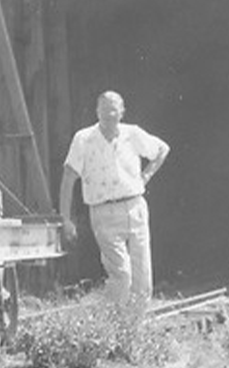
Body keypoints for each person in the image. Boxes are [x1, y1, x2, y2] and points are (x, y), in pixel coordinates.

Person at [58, 91, 170, 312]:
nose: (109, 116)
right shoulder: (84, 139)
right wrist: (66, 218)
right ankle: (114, 328)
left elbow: (162, 149)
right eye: (104, 112)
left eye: (113, 111)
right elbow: (68, 178)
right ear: (97, 112)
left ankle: (133, 331)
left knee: (142, 277)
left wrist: (146, 176)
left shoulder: (133, 134)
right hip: (103, 212)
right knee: (121, 274)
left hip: (135, 207)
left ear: (122, 112)